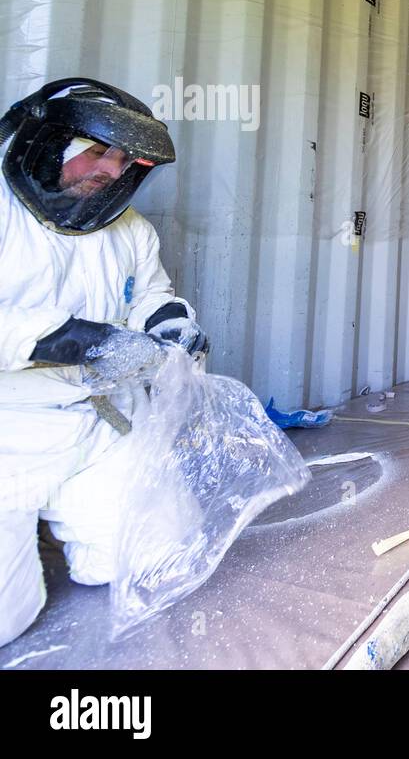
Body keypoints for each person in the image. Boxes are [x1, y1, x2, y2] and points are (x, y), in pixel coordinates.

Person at [0, 78, 207, 647]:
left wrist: (171, 323)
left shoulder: (128, 228)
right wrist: (69, 339)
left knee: (156, 557)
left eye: (125, 162)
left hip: (96, 420)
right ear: (47, 142)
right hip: (7, 432)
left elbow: (149, 295)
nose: (112, 173)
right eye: (98, 153)